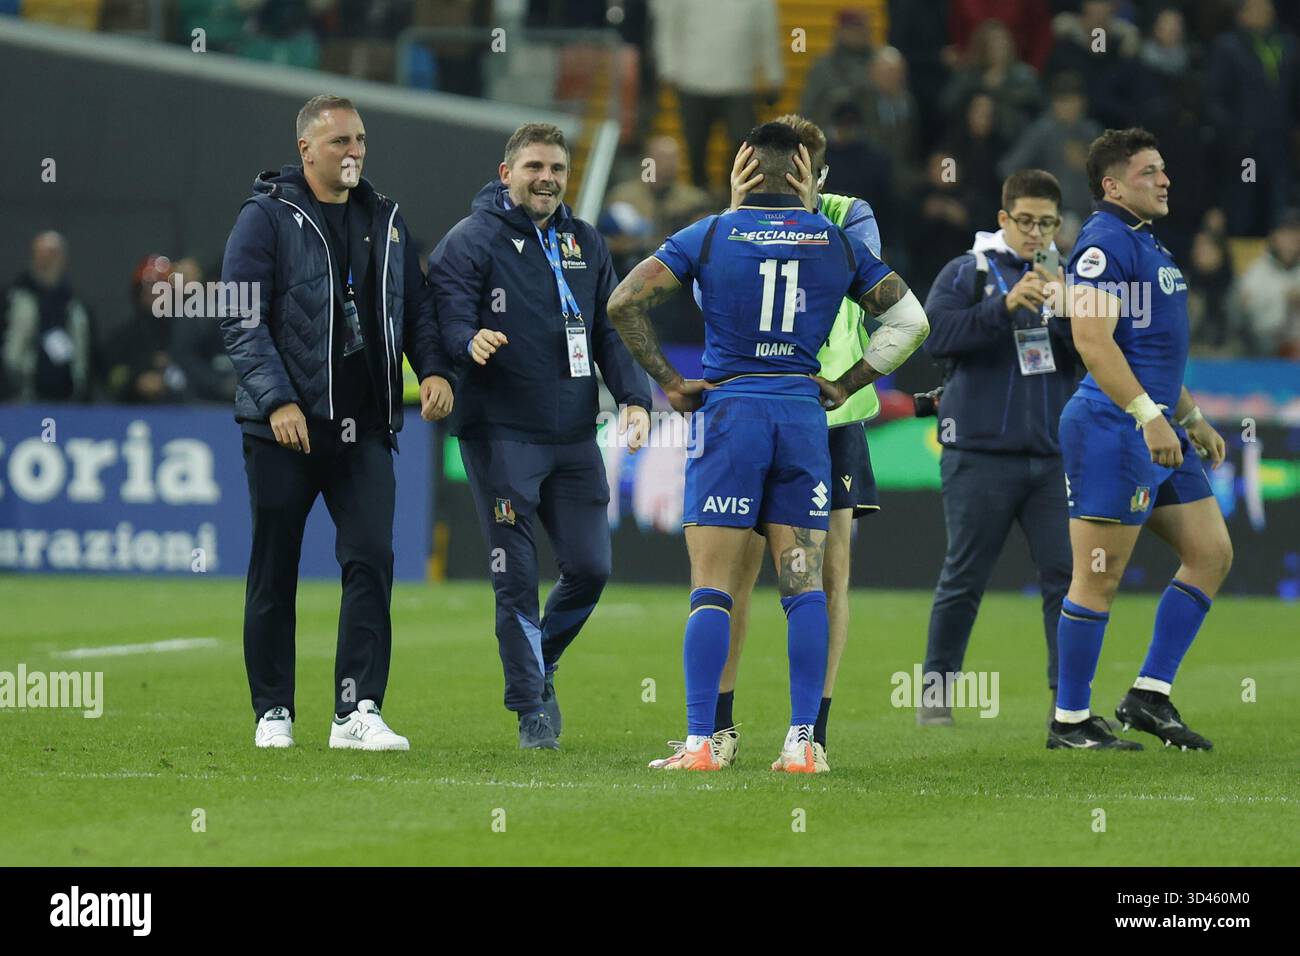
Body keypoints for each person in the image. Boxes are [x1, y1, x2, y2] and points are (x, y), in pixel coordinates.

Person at [607, 121, 928, 773]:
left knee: (715, 585)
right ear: (807, 172)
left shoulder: (714, 232)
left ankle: (703, 742)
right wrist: (848, 383)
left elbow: (623, 304)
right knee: (803, 583)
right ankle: (803, 743)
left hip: (732, 413)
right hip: (804, 417)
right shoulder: (835, 239)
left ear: (745, 167)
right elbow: (910, 320)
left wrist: (670, 382)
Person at [220, 94, 456, 751]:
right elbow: (240, 319)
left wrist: (435, 370)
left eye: (359, 140)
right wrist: (277, 401)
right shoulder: (264, 219)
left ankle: (357, 711)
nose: (353, 152)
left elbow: (419, 313)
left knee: (371, 560)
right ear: (305, 151)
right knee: (275, 567)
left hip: (366, 427)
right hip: (284, 430)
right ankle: (273, 712)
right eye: (338, 143)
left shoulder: (386, 219)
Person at [427, 123, 652, 751]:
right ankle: (531, 711)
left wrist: (634, 397)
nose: (546, 177)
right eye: (533, 166)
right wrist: (464, 343)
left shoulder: (586, 243)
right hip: (502, 436)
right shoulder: (469, 242)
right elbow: (444, 312)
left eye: (556, 167)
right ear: (507, 173)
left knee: (591, 567)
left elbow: (610, 330)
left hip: (575, 434)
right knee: (516, 577)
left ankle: (541, 664)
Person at [708, 115, 899, 771]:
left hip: (832, 416)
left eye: (801, 166)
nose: (786, 177)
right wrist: (741, 210)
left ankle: (810, 732)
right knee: (734, 572)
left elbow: (866, 292)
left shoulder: (851, 215)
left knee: (824, 574)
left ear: (818, 170)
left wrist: (803, 212)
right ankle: (718, 727)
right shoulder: (737, 218)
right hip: (757, 406)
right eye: (777, 166)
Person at [1052, 127, 1232, 751]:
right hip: (1112, 426)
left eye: (1163, 169)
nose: (1165, 179)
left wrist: (1190, 415)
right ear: (1113, 185)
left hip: (1155, 423)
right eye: (1150, 171)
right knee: (1099, 573)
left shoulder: (1145, 242)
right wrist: (1148, 416)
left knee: (1211, 552)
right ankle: (1070, 721)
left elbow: (1150, 350)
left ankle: (1149, 695)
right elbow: (1092, 341)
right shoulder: (1102, 243)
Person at [919, 169, 1082, 726]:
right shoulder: (969, 271)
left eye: (1048, 223)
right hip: (980, 453)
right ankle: (937, 696)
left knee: (1066, 580)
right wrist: (1005, 307)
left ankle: (1069, 703)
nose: (1037, 233)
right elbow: (934, 335)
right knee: (964, 577)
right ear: (1003, 219)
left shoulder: (1069, 279)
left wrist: (1065, 314)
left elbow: (1091, 355)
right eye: (1027, 221)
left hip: (1052, 454)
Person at [652, 0, 784, 191]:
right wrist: (668, 69)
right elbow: (668, 24)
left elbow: (767, 31)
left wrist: (773, 75)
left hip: (738, 83)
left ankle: (729, 194)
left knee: (743, 144)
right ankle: (699, 196)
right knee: (696, 149)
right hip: (693, 82)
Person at [2, 231, 95, 402]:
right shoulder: (11, 299)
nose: (46, 261)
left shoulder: (76, 306)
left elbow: (89, 354)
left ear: (63, 259)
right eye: (41, 254)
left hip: (68, 401)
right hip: (21, 399)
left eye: (52, 254)